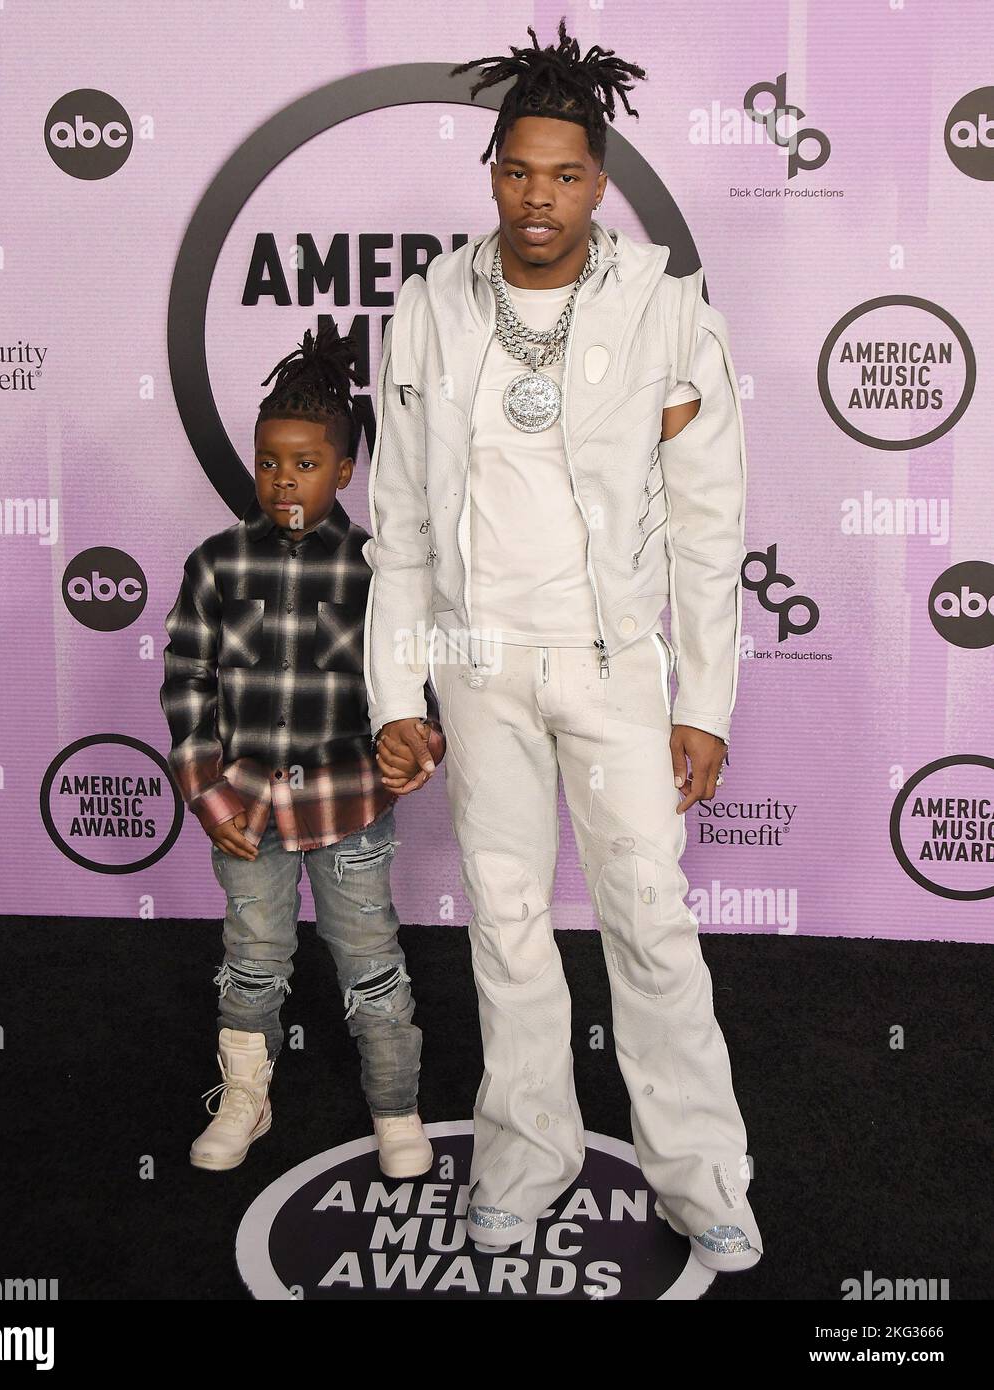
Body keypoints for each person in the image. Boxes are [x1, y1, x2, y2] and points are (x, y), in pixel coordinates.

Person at [365, 18, 762, 1271]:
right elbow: (399, 528)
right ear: (490, 171)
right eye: (516, 171)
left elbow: (708, 523)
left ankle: (700, 1173)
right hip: (479, 670)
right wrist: (398, 688)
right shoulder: (428, 307)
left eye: (565, 174)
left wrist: (703, 700)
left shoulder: (663, 308)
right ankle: (524, 1153)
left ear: (600, 180)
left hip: (612, 670)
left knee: (649, 915)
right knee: (506, 916)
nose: (538, 198)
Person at [160, 320, 443, 1177]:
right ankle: (246, 1098)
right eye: (270, 462)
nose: (285, 480)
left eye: (307, 464)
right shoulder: (215, 563)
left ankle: (396, 1109)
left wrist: (417, 746)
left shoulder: (376, 570)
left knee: (369, 959)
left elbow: (410, 692)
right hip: (243, 809)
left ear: (346, 470)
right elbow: (187, 682)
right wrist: (205, 792)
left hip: (348, 805)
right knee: (252, 957)